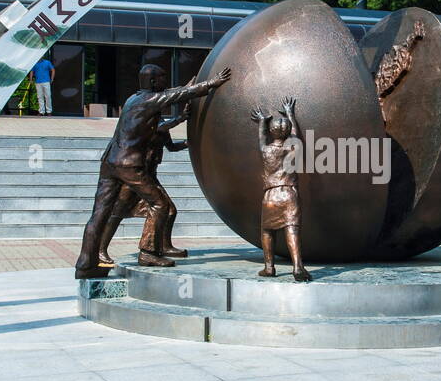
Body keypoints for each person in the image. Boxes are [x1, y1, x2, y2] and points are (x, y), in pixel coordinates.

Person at [75, 63, 231, 277]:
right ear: (152, 81)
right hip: (129, 165)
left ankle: (86, 263)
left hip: (110, 162)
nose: (164, 82)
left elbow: (172, 95)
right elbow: (176, 95)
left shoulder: (134, 99)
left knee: (99, 214)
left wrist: (182, 103)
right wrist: (212, 83)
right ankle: (148, 252)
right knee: (160, 205)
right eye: (162, 78)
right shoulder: (149, 101)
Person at [96, 111, 187, 266]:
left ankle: (164, 246)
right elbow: (160, 128)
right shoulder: (142, 120)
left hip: (149, 174)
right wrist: (180, 117)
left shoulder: (161, 121)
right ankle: (100, 250)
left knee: (170, 210)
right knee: (117, 212)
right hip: (133, 174)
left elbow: (170, 146)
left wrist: (187, 143)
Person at [251, 97, 311, 282]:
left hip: (271, 194)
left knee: (267, 231)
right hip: (290, 193)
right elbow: (296, 135)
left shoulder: (266, 150)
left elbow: (261, 138)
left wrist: (262, 121)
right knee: (292, 229)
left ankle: (269, 267)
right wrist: (291, 114)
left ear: (271, 131)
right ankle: (298, 266)